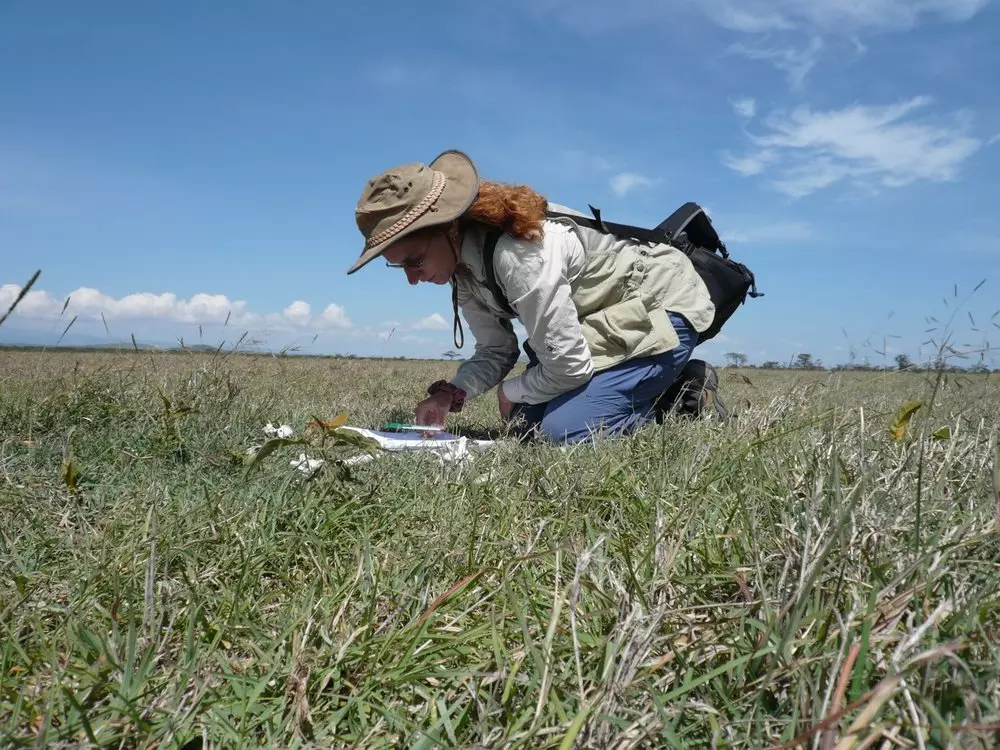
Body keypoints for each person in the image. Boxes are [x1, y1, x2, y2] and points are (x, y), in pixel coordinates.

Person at [346, 149, 726, 444]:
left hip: (662, 306)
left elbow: (569, 367)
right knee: (525, 422)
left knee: (566, 433)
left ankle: (678, 395)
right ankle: (642, 389)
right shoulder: (461, 268)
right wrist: (452, 392)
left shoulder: (520, 256)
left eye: (415, 261)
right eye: (401, 268)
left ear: (448, 227)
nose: (413, 279)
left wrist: (513, 388)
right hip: (603, 324)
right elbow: (496, 350)